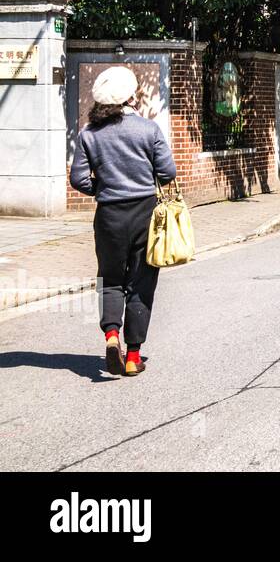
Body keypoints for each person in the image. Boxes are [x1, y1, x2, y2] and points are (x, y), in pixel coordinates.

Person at [70, 66, 176, 378]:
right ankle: (132, 356)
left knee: (110, 279)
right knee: (141, 282)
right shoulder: (148, 130)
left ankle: (111, 335)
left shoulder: (89, 134)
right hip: (145, 214)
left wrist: (101, 188)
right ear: (131, 97)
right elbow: (168, 173)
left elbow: (78, 179)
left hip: (108, 216)